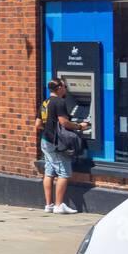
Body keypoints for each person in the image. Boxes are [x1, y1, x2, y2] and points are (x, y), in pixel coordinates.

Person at [37, 78, 89, 214]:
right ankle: (59, 205)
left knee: (49, 172)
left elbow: (37, 125)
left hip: (45, 141)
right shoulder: (59, 102)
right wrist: (80, 126)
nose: (66, 89)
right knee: (64, 173)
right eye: (65, 86)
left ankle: (49, 205)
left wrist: (48, 128)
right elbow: (64, 122)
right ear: (59, 88)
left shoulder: (45, 103)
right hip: (56, 143)